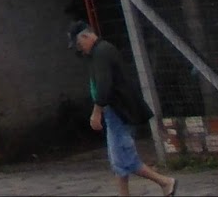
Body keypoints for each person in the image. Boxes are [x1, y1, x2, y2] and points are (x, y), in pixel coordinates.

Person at [70, 20, 177, 197]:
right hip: (116, 111)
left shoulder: (102, 52)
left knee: (125, 158)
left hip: (119, 112)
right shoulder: (99, 52)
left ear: (86, 36)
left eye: (79, 44)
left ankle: (165, 182)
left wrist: (96, 112)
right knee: (118, 159)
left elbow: (104, 86)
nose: (79, 49)